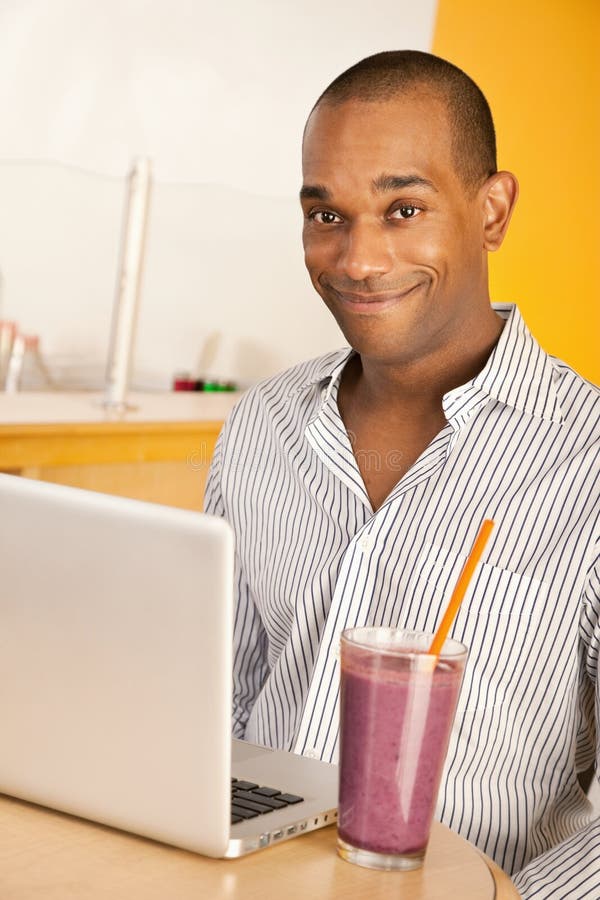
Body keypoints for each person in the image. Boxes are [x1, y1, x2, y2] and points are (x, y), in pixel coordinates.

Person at [204, 50, 600, 897]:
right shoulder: (259, 427)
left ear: (491, 210)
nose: (359, 261)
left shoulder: (586, 462)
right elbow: (223, 703)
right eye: (327, 216)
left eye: (404, 208)